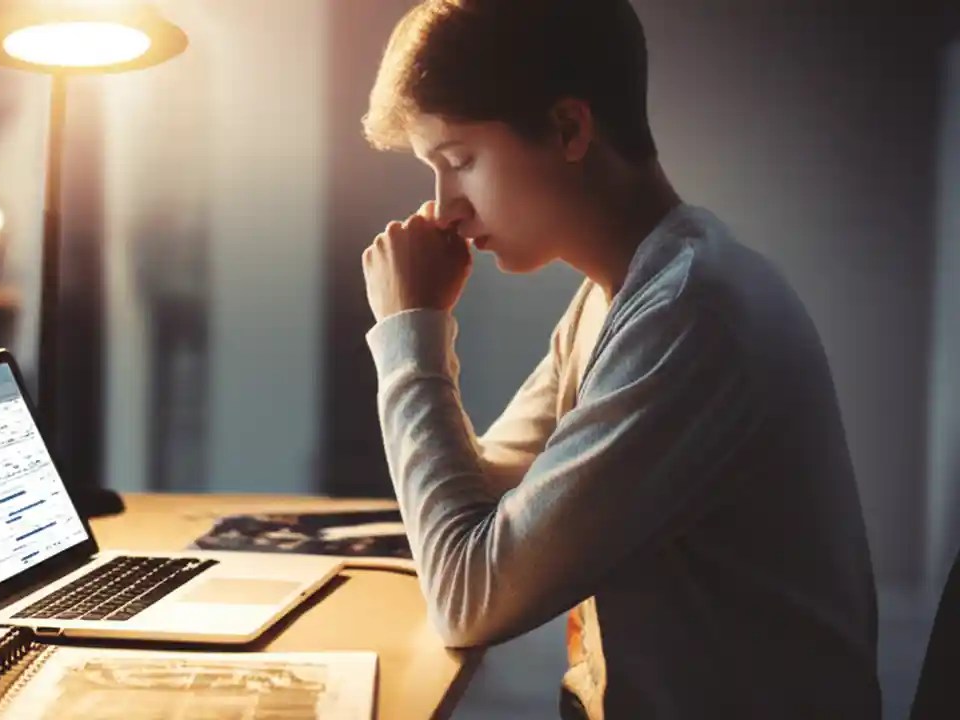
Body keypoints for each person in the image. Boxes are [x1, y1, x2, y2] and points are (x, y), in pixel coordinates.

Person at [357, 1, 880, 718]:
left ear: (570, 129)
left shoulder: (690, 315)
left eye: (459, 162)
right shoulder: (618, 296)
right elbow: (475, 498)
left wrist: (410, 330)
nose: (444, 209)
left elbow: (467, 597)